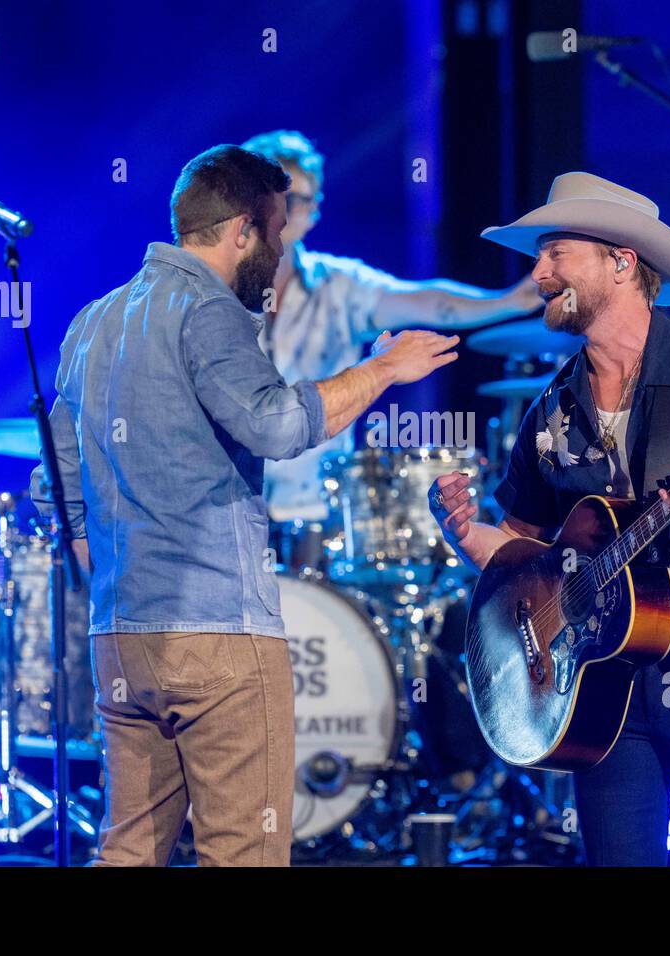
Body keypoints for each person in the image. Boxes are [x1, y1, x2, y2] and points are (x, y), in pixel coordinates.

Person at [30, 144, 458, 866]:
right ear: (242, 231)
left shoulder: (91, 322)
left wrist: (91, 553)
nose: (283, 250)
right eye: (278, 232)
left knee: (128, 850)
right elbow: (277, 425)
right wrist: (383, 368)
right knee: (243, 855)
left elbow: (58, 471)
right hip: (217, 631)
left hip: (121, 635)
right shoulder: (209, 309)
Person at [428, 172, 670, 865]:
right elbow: (523, 559)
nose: (540, 272)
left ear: (622, 261)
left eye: (557, 253)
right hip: (603, 693)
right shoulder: (551, 408)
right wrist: (465, 534)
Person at [239, 130, 542, 521]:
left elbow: (429, 301)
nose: (293, 209)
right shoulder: (213, 286)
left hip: (314, 509)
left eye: (303, 200)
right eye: (283, 197)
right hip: (228, 507)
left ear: (315, 209)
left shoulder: (339, 284)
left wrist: (508, 301)